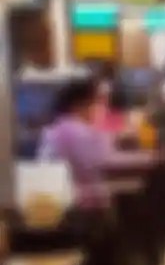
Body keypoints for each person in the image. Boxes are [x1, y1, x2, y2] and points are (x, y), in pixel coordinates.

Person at [39, 79, 148, 210]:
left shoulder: (55, 129)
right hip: (82, 204)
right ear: (81, 105)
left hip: (57, 200)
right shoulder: (80, 132)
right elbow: (109, 162)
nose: (100, 109)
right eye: (97, 103)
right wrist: (150, 158)